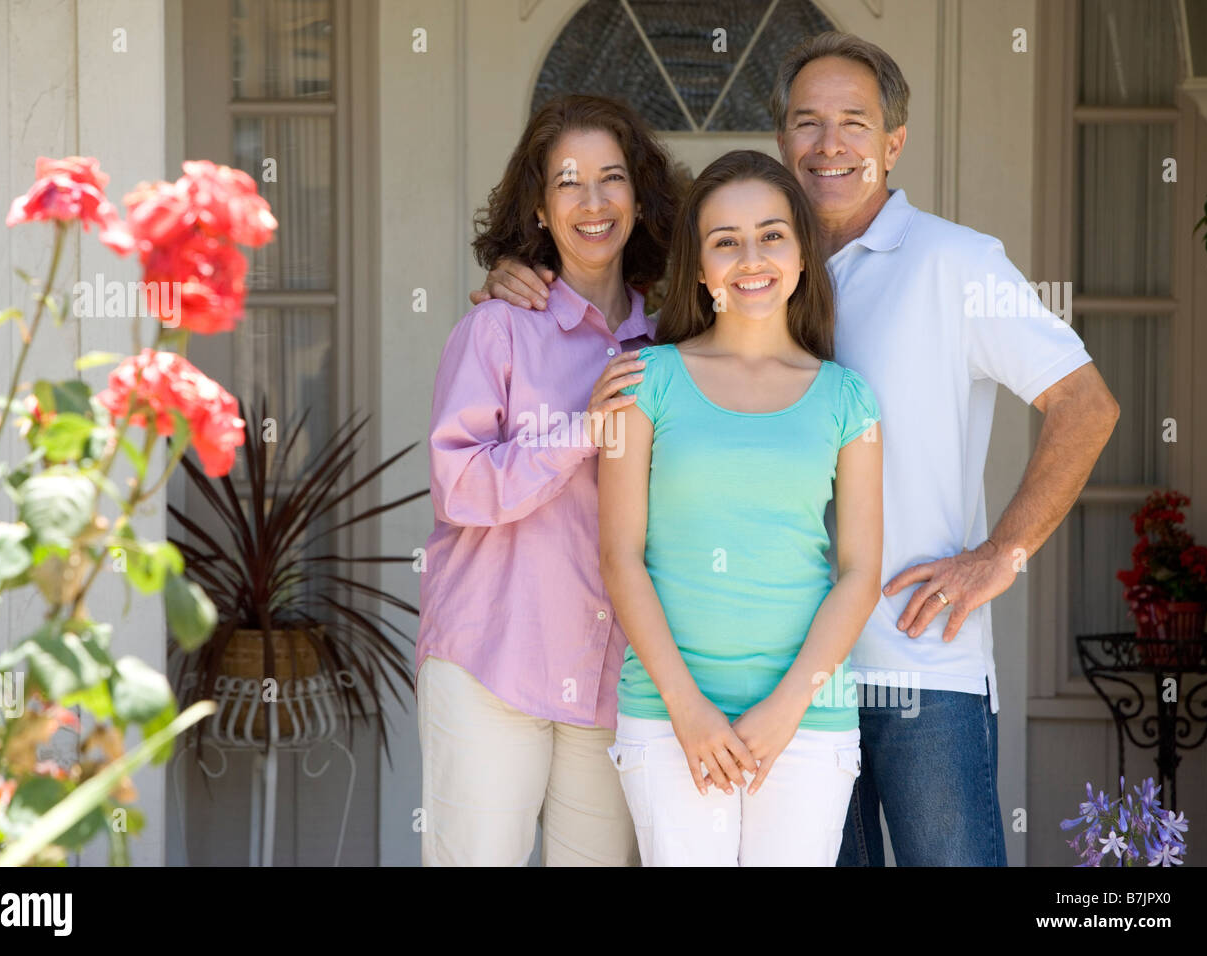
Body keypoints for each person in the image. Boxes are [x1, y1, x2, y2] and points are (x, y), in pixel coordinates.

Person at [471, 32, 1120, 866]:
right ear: (782, 141)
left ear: (894, 142)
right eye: (807, 122)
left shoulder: (958, 264)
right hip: (778, 683)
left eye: (856, 121)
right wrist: (518, 281)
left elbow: (1085, 403)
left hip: (922, 665)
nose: (830, 143)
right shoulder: (750, 273)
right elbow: (611, 278)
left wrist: (1001, 553)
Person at [598, 149, 883, 866]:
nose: (750, 257)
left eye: (772, 234)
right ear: (699, 268)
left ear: (801, 255)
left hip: (806, 720)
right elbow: (619, 556)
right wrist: (688, 711)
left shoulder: (848, 398)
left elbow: (859, 572)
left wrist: (785, 711)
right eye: (725, 241)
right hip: (668, 717)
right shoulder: (644, 381)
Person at [416, 93, 679, 866]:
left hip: (613, 679)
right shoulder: (497, 326)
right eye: (567, 182)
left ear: (640, 196)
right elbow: (458, 488)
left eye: (612, 178)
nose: (593, 202)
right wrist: (578, 433)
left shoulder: (673, 344)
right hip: (491, 667)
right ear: (537, 205)